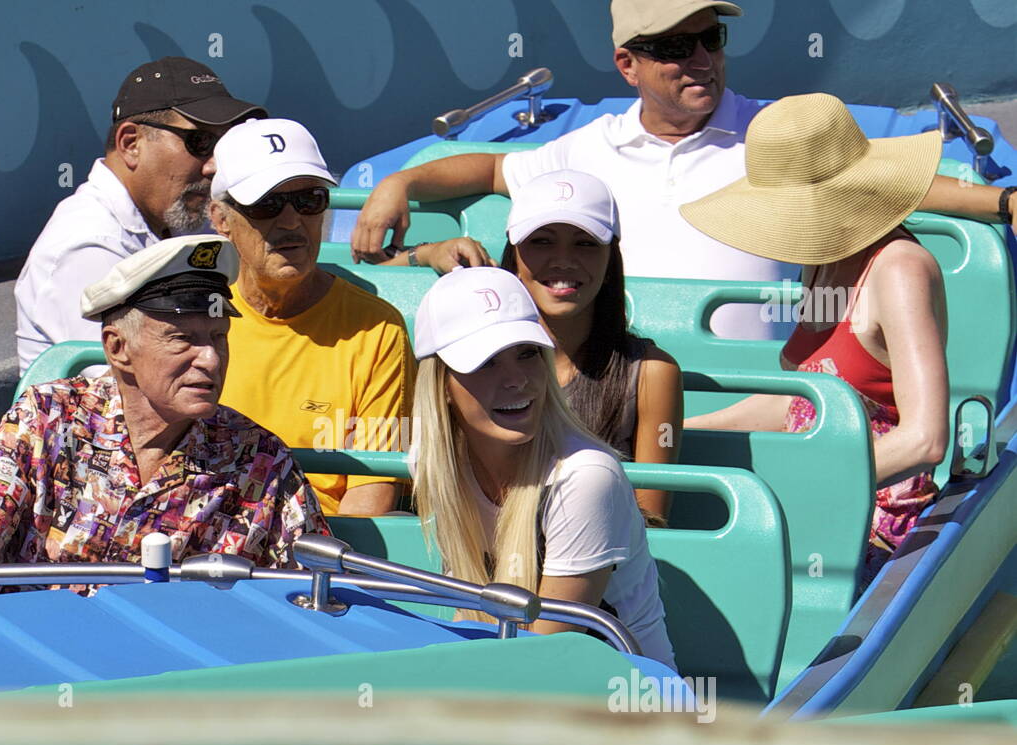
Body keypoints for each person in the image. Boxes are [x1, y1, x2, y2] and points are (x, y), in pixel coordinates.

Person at [352, 0, 1014, 338]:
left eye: (710, 39)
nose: (699, 58)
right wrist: (399, 183)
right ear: (627, 65)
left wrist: (1004, 206)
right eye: (674, 46)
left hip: (766, 390)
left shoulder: (772, 132)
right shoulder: (590, 149)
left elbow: (886, 179)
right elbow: (491, 169)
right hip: (620, 388)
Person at [0, 236, 330, 598]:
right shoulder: (47, 419)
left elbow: (316, 586)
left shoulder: (259, 459)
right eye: (183, 339)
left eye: (218, 337)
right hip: (37, 659)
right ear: (118, 348)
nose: (210, 359)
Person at [681, 93, 950, 587]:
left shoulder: (899, 269)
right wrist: (680, 435)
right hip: (809, 498)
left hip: (871, 522)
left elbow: (926, 439)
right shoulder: (822, 258)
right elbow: (800, 402)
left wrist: (801, 481)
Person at [410, 265, 675, 666]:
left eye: (528, 353)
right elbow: (473, 621)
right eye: (486, 362)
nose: (518, 380)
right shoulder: (436, 463)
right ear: (441, 385)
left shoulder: (584, 479)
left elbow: (542, 661)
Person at [208, 118, 413, 517]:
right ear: (220, 219)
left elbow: (371, 498)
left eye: (309, 200)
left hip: (318, 560)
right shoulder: (195, 316)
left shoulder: (378, 330)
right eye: (265, 204)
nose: (290, 221)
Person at [15, 57, 265, 375]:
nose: (213, 165)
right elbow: (131, 386)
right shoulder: (87, 245)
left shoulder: (175, 216)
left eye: (222, 145)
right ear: (132, 143)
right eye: (201, 142)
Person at [500, 169, 682, 523]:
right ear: (514, 254)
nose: (563, 260)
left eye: (585, 243)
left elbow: (652, 518)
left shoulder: (652, 373)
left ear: (610, 257)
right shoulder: (470, 361)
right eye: (541, 241)